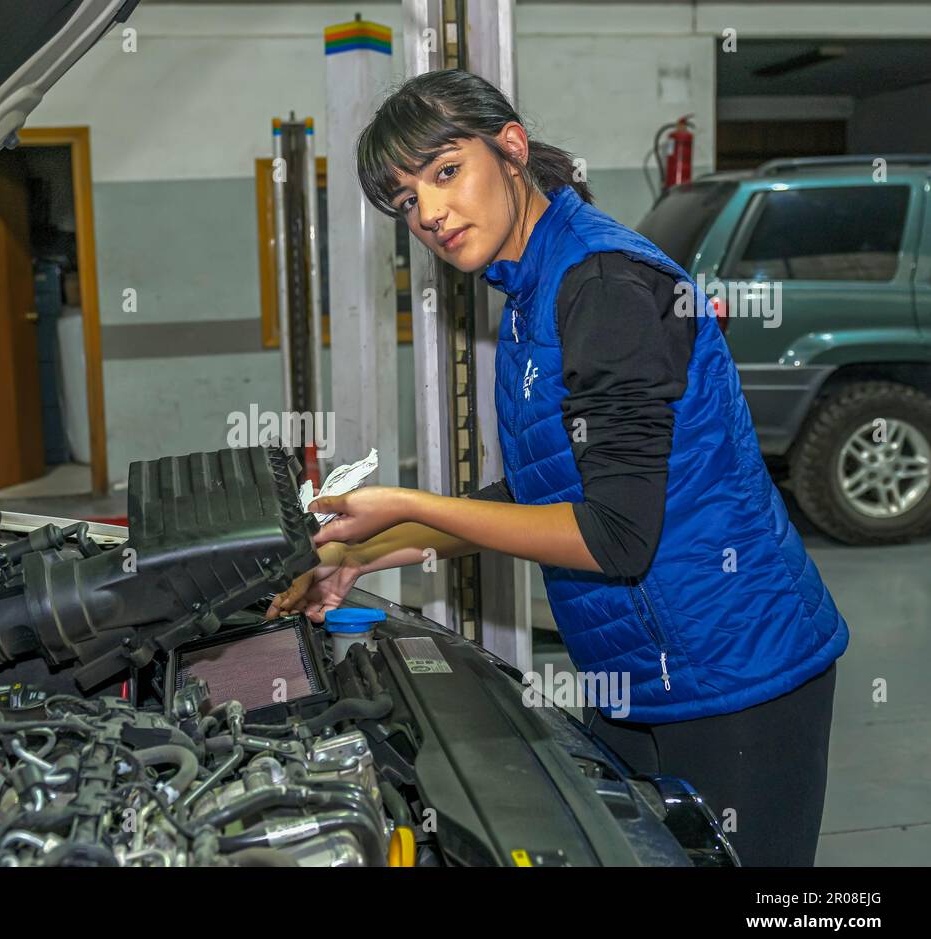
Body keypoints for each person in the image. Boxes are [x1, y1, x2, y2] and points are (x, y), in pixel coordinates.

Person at [265, 69, 848, 867]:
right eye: (405, 201)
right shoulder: (533, 289)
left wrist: (410, 504)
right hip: (640, 677)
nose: (429, 213)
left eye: (445, 172)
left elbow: (614, 538)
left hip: (735, 676)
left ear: (511, 149)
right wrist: (361, 549)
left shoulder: (603, 286)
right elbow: (548, 493)